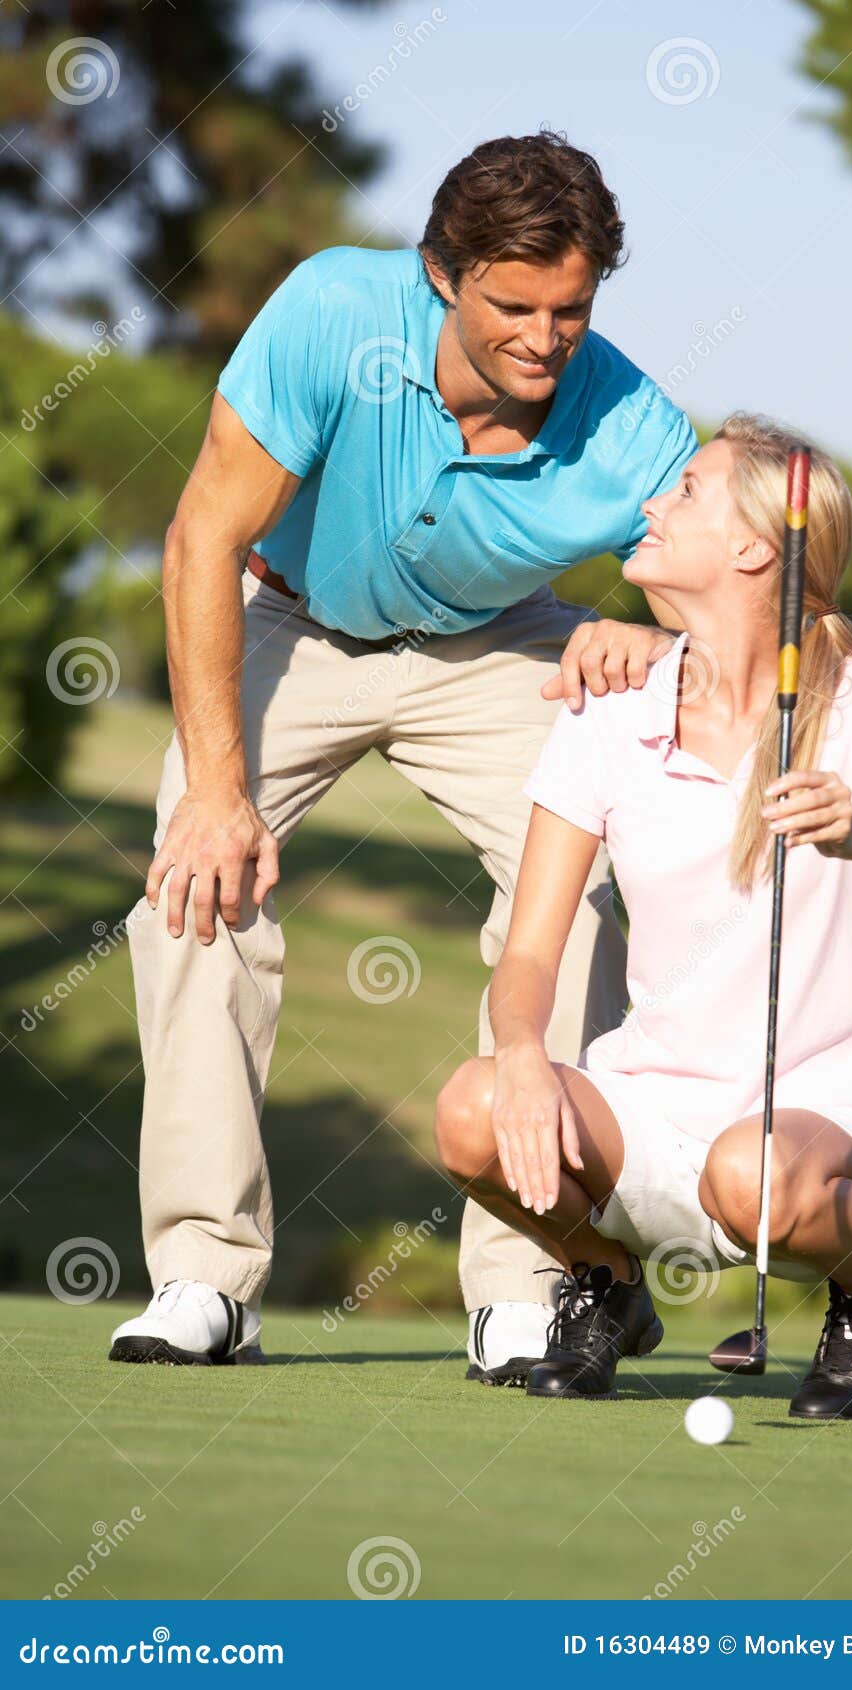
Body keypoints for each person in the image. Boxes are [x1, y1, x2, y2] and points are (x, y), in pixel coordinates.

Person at [108, 131, 697, 1371]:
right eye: (512, 306)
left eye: (570, 310)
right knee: (191, 890)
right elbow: (200, 537)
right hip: (291, 615)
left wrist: (648, 635)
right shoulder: (332, 310)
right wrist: (217, 793)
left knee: (588, 893)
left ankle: (529, 1288)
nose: (544, 340)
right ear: (442, 272)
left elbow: (750, 577)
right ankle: (203, 1280)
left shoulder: (630, 415)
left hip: (500, 644)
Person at [435, 412, 852, 1418]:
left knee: (752, 1172)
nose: (649, 506)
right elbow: (531, 951)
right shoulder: (608, 710)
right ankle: (603, 1278)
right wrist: (515, 1054)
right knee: (469, 1111)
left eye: (683, 494)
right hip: (647, 1109)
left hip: (825, 1126)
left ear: (753, 545)